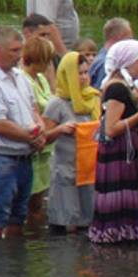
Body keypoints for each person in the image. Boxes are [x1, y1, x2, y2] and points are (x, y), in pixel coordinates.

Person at [0, 27, 47, 241]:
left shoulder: (20, 77)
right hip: (1, 158)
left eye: (20, 50)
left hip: (24, 158)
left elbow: (33, 109)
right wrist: (32, 137)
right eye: (14, 50)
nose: (19, 55)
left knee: (18, 218)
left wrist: (40, 127)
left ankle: (14, 266)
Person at [89, 39, 138, 244]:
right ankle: (116, 235)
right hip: (119, 154)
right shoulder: (117, 89)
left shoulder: (123, 86)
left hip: (125, 153)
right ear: (126, 62)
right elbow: (111, 129)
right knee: (118, 198)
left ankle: (122, 235)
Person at [44, 51, 98, 233]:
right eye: (79, 73)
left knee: (87, 224)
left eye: (85, 73)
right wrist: (60, 130)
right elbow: (43, 138)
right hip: (65, 171)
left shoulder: (92, 99)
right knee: (62, 223)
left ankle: (85, 260)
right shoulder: (57, 104)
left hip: (89, 171)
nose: (83, 78)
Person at [20, 34, 60, 224]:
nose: (50, 63)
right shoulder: (24, 80)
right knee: (30, 200)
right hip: (36, 146)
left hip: (47, 148)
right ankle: (31, 237)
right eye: (47, 59)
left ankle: (36, 235)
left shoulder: (41, 79)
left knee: (39, 201)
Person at [89, 17, 132, 88]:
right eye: (129, 39)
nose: (131, 44)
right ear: (119, 37)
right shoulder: (106, 64)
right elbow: (102, 93)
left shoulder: (101, 57)